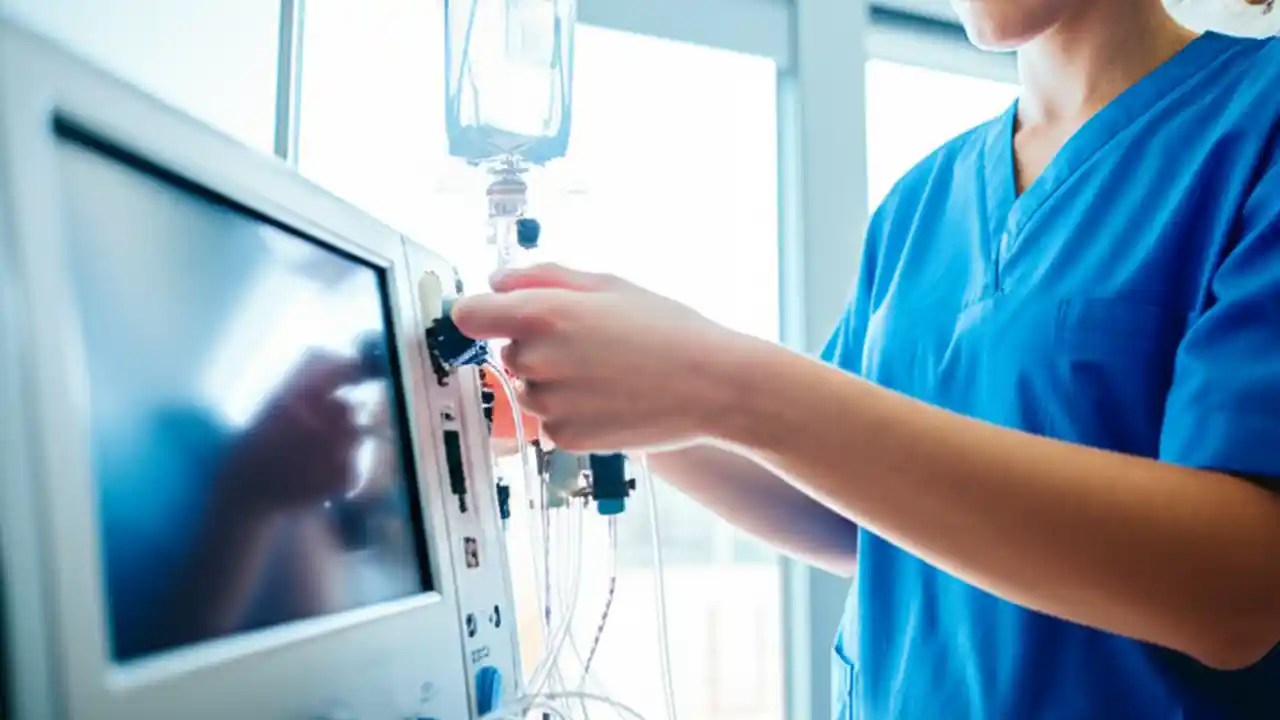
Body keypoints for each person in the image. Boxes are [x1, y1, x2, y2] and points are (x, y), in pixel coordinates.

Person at [453, 0, 1280, 717]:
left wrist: (722, 380)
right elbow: (850, 512)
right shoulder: (923, 204)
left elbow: (1238, 588)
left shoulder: (1255, 126)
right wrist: (626, 406)